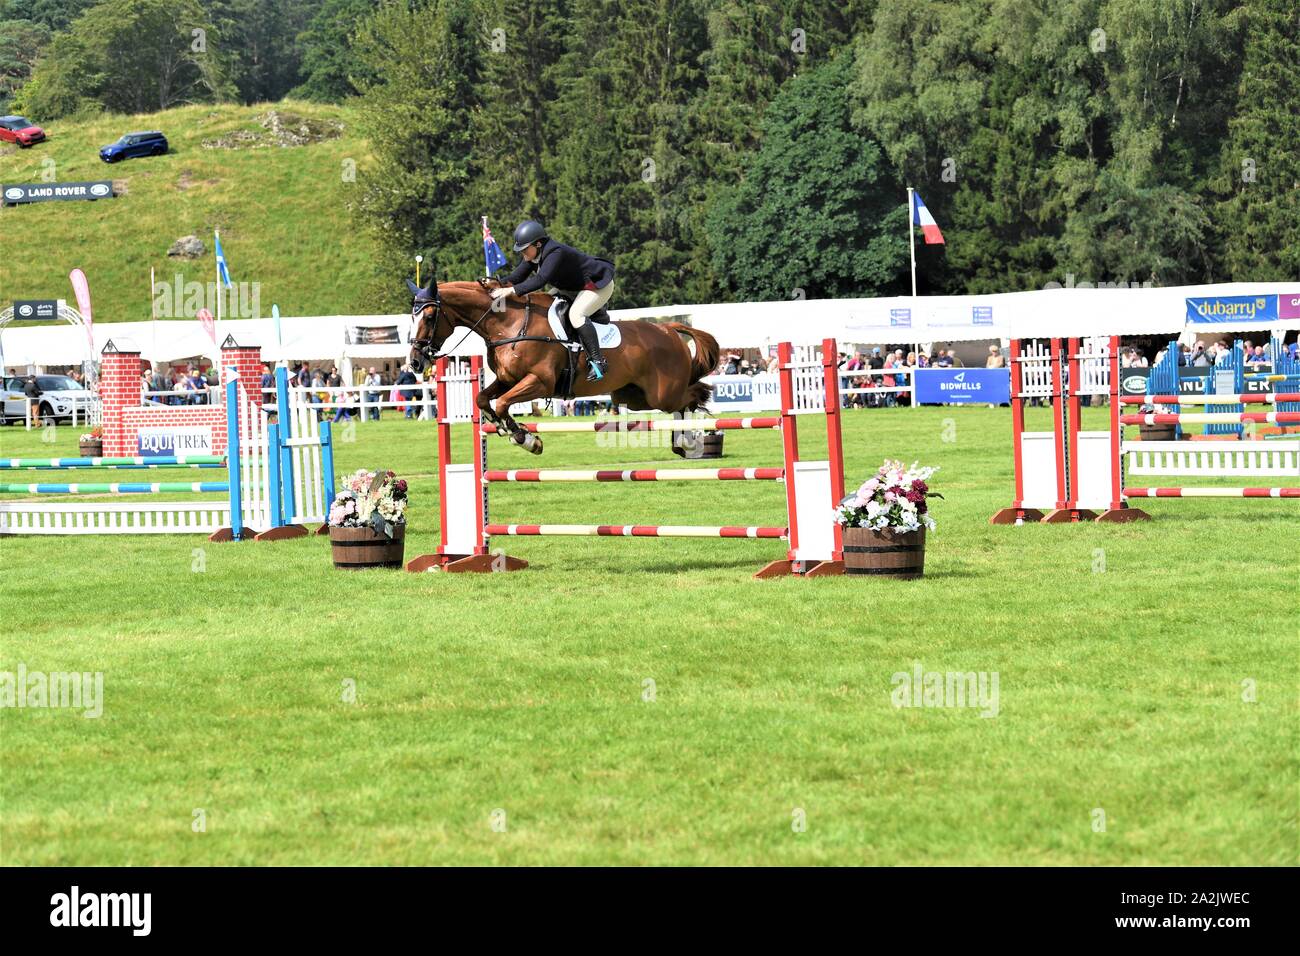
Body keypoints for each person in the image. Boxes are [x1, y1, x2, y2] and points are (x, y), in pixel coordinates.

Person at [491, 220, 616, 381]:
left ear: (537, 244)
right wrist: (494, 285)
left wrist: (510, 291)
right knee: (547, 305)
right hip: (570, 287)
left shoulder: (555, 252)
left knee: (576, 315)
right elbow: (516, 278)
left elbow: (540, 280)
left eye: (524, 249)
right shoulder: (533, 255)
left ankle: (598, 362)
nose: (523, 254)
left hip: (596, 285)